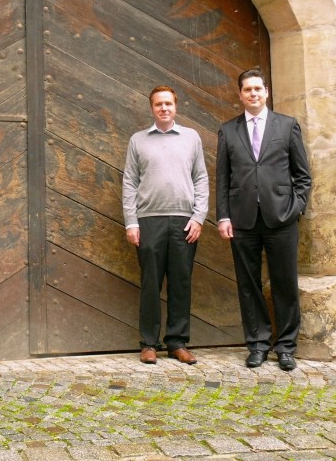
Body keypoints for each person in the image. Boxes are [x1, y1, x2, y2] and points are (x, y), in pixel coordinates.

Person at [216, 69, 311, 371]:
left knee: (285, 283)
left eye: (258, 88)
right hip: (243, 219)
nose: (253, 94)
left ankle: (285, 347)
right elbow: (222, 179)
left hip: (281, 218)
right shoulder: (228, 131)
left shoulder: (287, 126)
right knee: (248, 284)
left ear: (266, 92)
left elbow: (303, 176)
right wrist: (223, 216)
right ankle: (257, 344)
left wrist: (296, 208)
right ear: (240, 94)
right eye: (247, 90)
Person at [122, 86, 208, 366]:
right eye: (158, 104)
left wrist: (198, 217)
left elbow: (201, 179)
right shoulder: (138, 140)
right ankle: (149, 344)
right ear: (152, 108)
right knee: (150, 283)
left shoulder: (191, 138)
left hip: (184, 222)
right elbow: (129, 182)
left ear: (176, 106)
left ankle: (177, 342)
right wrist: (131, 222)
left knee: (181, 282)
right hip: (149, 221)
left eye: (168, 103)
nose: (164, 108)